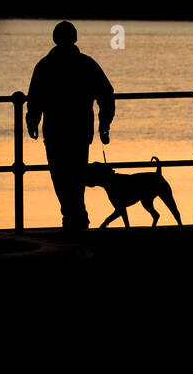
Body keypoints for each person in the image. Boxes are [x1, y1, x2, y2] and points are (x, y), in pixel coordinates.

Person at [25, 21, 115, 229]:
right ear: (75, 38)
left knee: (60, 174)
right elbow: (106, 94)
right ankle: (77, 215)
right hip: (79, 129)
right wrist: (104, 123)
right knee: (76, 174)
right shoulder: (86, 64)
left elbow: (35, 97)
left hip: (56, 130)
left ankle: (72, 215)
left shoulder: (45, 65)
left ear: (55, 39)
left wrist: (32, 120)